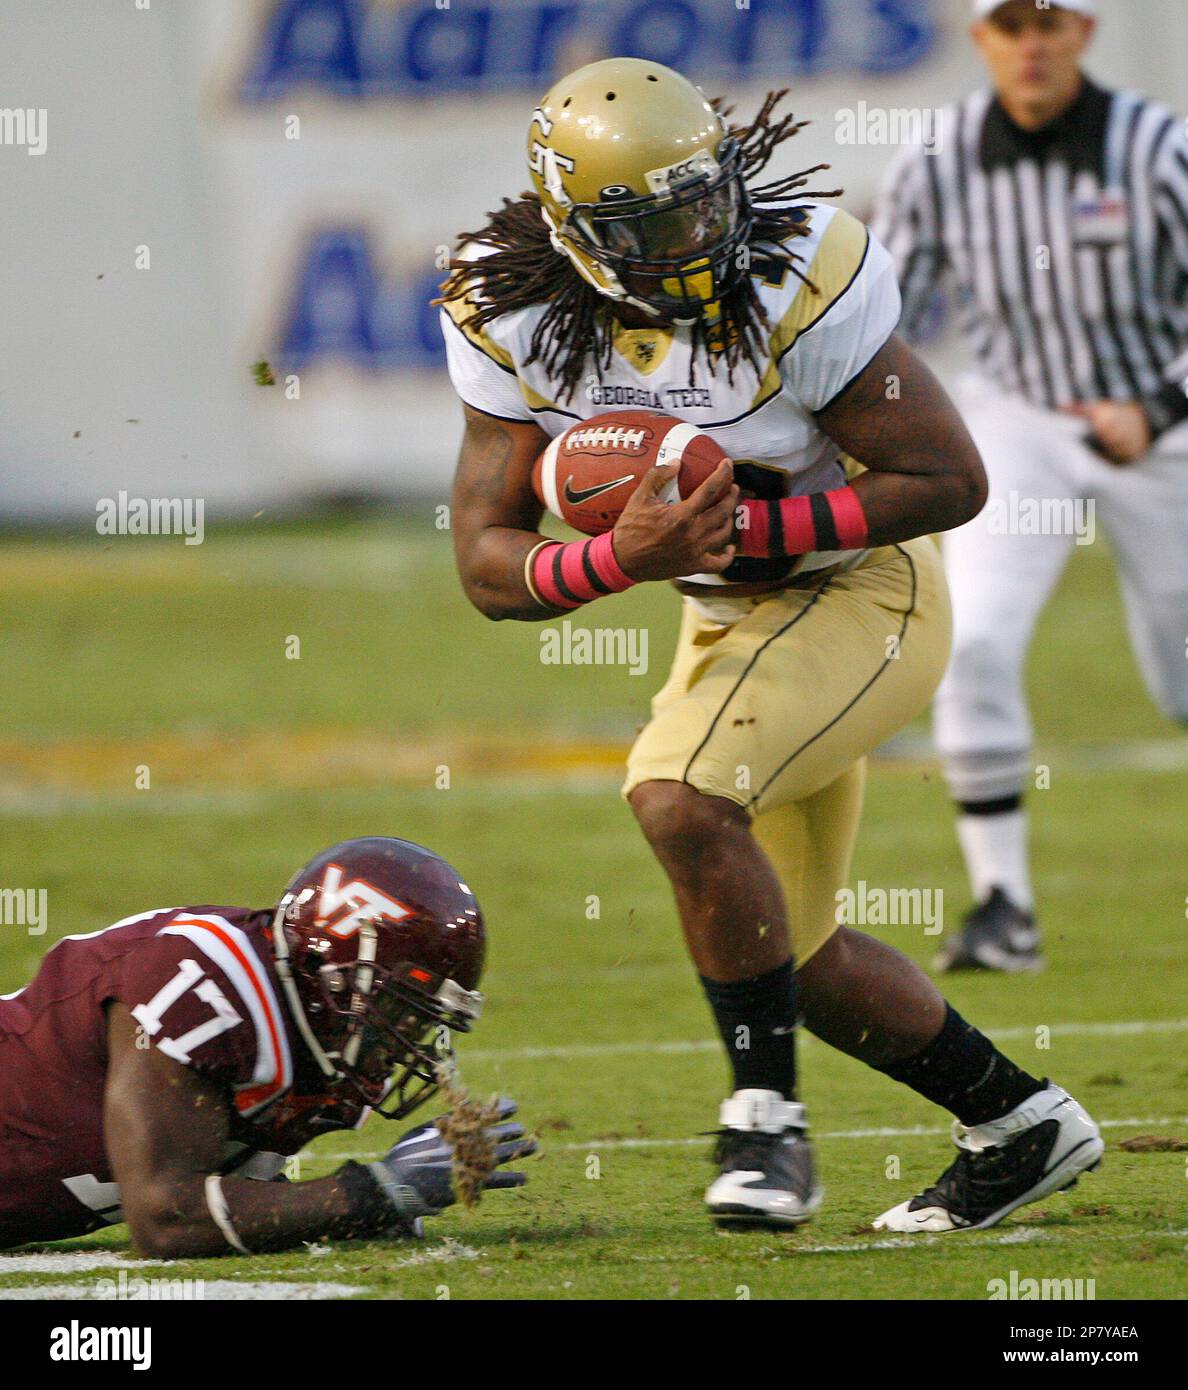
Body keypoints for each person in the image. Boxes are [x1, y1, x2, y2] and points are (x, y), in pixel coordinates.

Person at [440, 56, 1102, 1231]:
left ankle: (764, 1122)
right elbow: (488, 567)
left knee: (678, 797)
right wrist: (616, 562)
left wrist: (752, 529)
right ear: (577, 231)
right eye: (652, 225)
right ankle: (1020, 1123)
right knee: (783, 949)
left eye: (703, 199)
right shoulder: (511, 310)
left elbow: (946, 478)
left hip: (864, 590)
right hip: (725, 616)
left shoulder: (794, 273)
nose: (696, 236)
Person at [872, 0, 1188, 972]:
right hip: (1014, 416)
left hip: (1163, 420)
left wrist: (1158, 406)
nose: (1032, 45)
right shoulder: (938, 160)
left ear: (1084, 32)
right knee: (971, 640)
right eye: (1011, 26)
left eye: (1050, 24)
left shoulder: (1157, 148)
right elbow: (881, 314)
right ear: (982, 39)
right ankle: (1002, 903)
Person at [0, 836, 533, 1254]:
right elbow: (167, 1217)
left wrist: (367, 1212)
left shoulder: (314, 1047)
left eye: (421, 1019)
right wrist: (377, 1192)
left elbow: (231, 1201)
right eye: (399, 1009)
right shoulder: (202, 983)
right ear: (329, 972)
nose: (406, 1041)